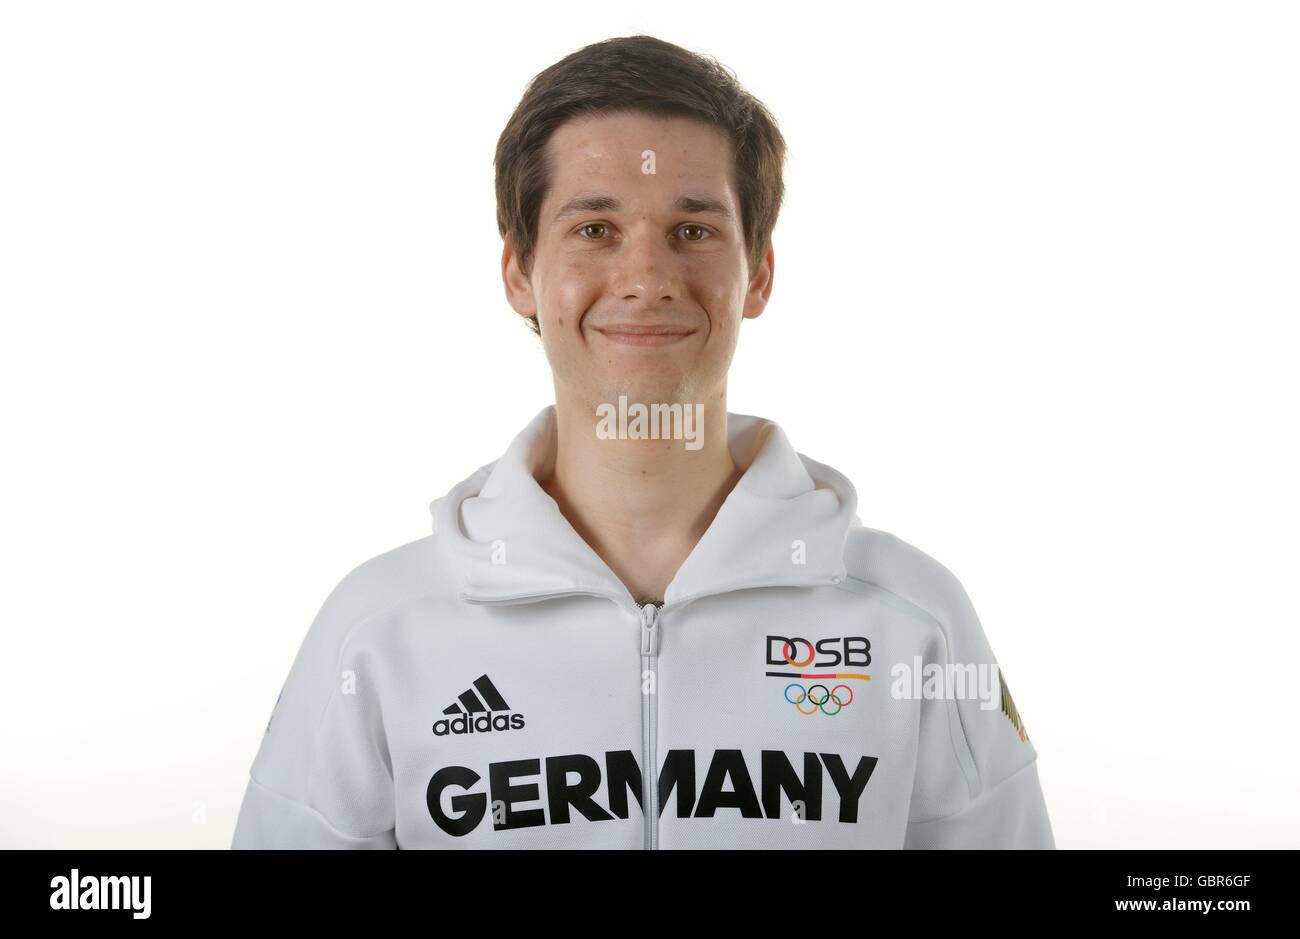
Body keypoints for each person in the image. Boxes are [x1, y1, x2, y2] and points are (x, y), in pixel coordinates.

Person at [231, 34, 1054, 849]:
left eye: (693, 232)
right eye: (595, 230)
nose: (646, 277)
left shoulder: (912, 620)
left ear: (759, 271)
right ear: (519, 269)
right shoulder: (379, 633)